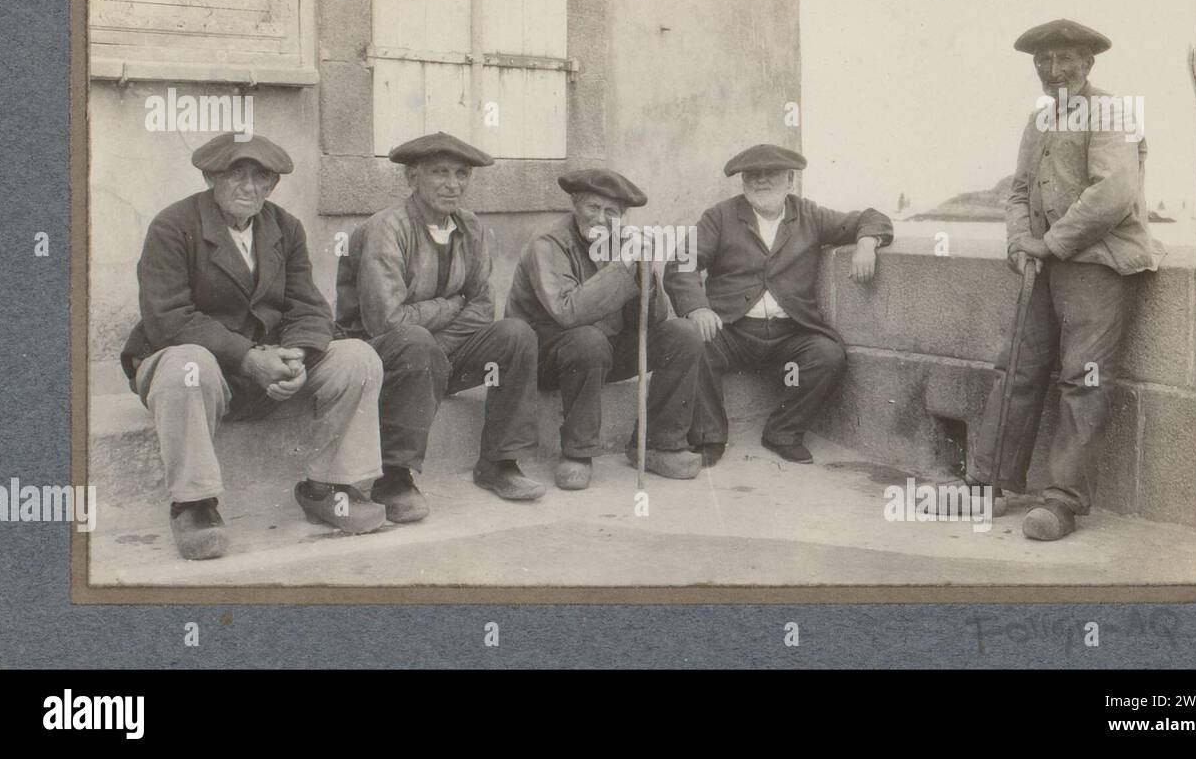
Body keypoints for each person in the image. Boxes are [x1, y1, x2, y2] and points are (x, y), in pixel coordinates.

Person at [121, 132, 387, 561]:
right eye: (236, 175)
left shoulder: (285, 227)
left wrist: (297, 355)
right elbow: (168, 318)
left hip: (266, 360)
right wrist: (248, 358)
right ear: (211, 177)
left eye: (261, 177)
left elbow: (307, 305)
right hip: (205, 364)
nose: (249, 187)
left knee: (358, 357)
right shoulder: (173, 226)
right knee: (188, 364)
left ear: (272, 185)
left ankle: (330, 487)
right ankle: (194, 504)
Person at [948, 19, 1166, 541]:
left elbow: (1113, 192)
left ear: (1088, 64)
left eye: (1065, 59)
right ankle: (987, 484)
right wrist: (1020, 242)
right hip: (1043, 263)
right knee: (1016, 367)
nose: (1053, 70)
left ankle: (1063, 502)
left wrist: (1050, 243)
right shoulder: (1040, 119)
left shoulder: (1112, 112)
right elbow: (1019, 191)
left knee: (1082, 378)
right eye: (1043, 62)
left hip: (1099, 264)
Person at [336, 132, 544, 518]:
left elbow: (482, 306)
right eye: (440, 173)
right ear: (412, 178)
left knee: (516, 335)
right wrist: (450, 304)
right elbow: (387, 320)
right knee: (415, 340)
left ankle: (500, 462)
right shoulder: (387, 227)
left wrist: (441, 348)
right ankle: (394, 476)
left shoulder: (471, 227)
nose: (453, 184)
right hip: (380, 356)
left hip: (436, 354)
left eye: (462, 174)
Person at [664, 144, 893, 466]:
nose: (760, 182)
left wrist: (867, 243)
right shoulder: (720, 217)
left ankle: (783, 433)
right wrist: (698, 308)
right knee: (696, 343)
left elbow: (871, 218)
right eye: (752, 176)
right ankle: (709, 437)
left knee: (828, 355)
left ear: (790, 180)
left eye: (769, 175)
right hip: (731, 328)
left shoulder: (810, 215)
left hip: (791, 332)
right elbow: (681, 263)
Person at [507, 169, 707, 488]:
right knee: (588, 340)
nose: (601, 219)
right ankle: (577, 453)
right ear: (575, 204)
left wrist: (647, 278)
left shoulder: (622, 243)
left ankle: (660, 444)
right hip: (547, 359)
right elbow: (568, 311)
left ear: (622, 216)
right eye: (592, 207)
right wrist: (622, 268)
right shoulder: (548, 242)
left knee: (683, 334)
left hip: (603, 354)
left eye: (611, 212)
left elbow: (653, 320)